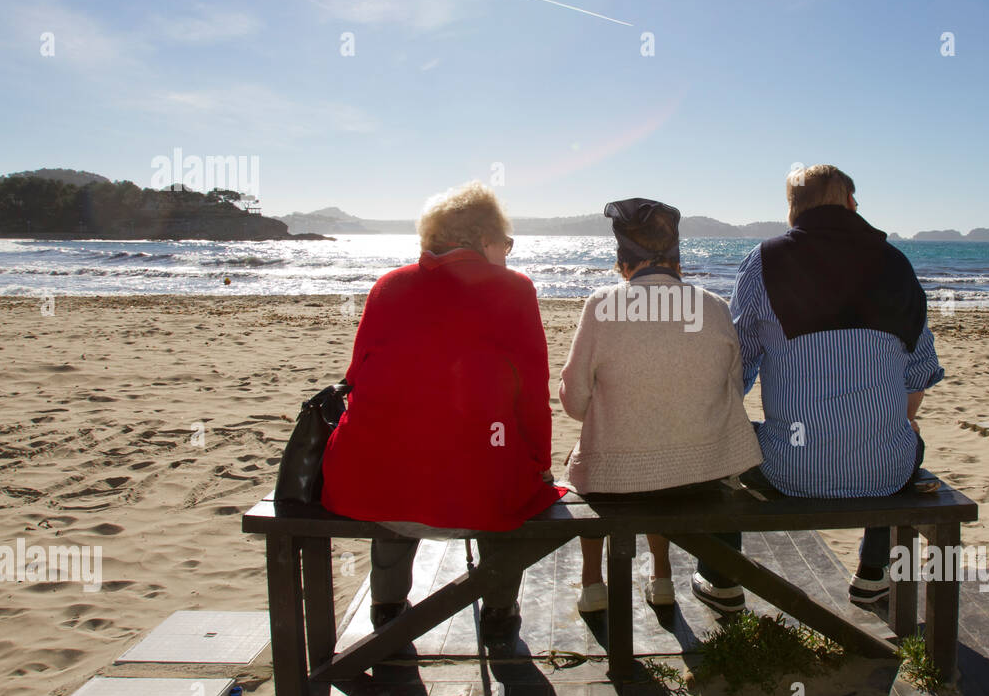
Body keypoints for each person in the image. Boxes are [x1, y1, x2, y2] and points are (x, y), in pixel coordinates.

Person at [321, 181, 563, 639]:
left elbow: (356, 375)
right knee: (497, 467)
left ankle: (387, 610)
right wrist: (539, 464)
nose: (508, 252)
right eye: (506, 242)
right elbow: (531, 395)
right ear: (483, 239)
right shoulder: (513, 289)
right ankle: (498, 610)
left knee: (394, 452)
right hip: (475, 491)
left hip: (372, 487)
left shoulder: (388, 285)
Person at [723, 164, 944, 615]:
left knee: (722, 441)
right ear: (850, 204)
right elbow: (917, 378)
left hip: (790, 469)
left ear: (792, 209)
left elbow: (733, 375)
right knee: (904, 432)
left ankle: (721, 577)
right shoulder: (896, 265)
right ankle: (873, 571)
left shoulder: (764, 260)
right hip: (886, 471)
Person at [559, 199, 762, 612]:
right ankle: (662, 574)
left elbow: (574, 401)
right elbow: (733, 387)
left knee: (591, 459)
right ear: (677, 259)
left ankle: (592, 585)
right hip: (704, 474)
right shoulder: (715, 306)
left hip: (620, 482)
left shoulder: (603, 305)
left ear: (622, 261)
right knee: (660, 452)